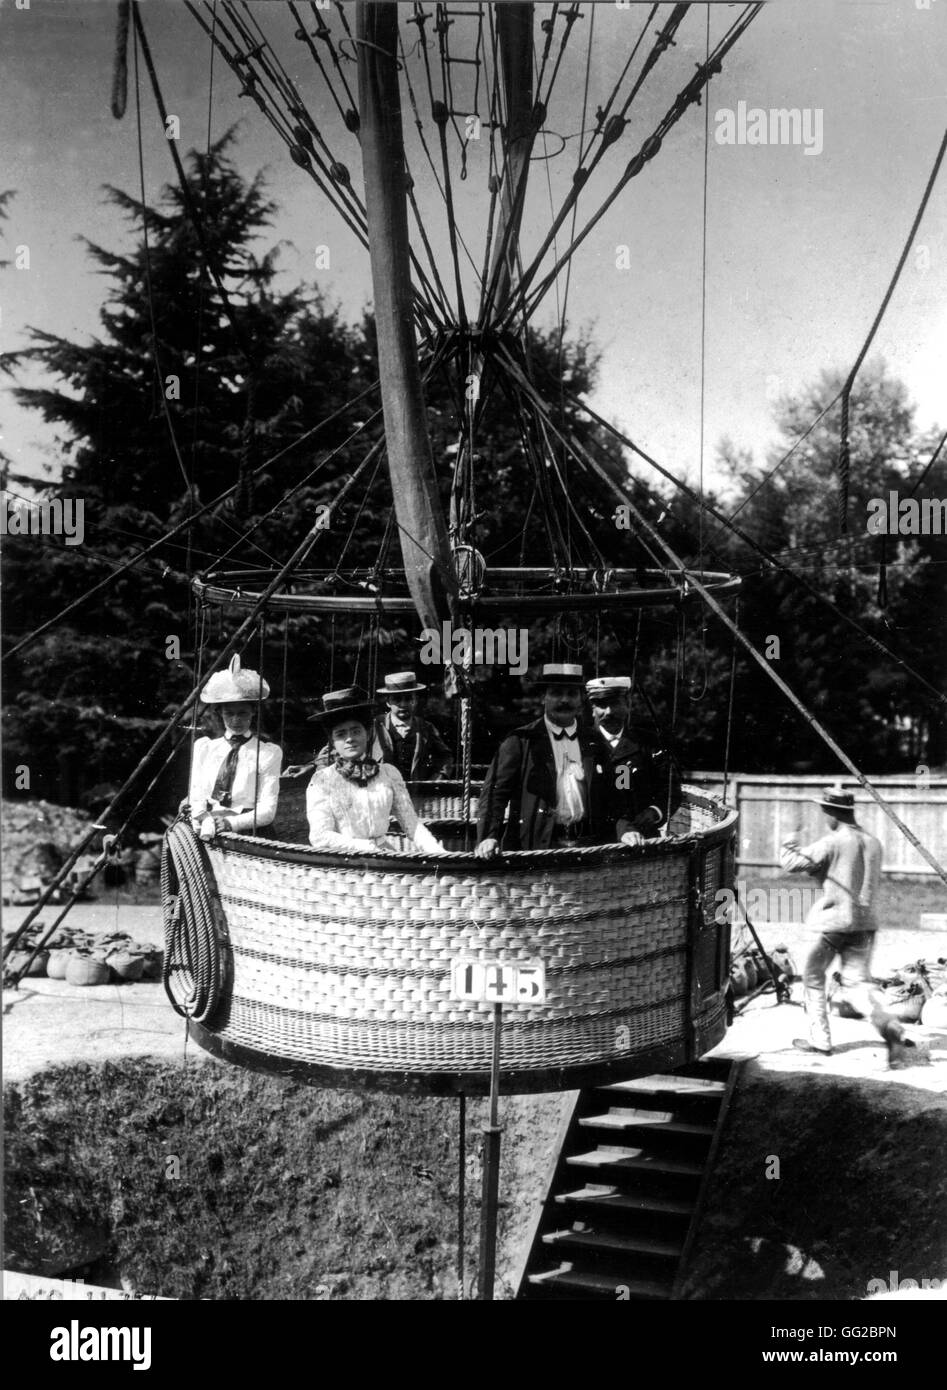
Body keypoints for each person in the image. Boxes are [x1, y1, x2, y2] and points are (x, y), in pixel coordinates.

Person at [780, 784, 915, 1061]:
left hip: (835, 922)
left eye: (825, 812)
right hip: (865, 924)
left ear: (832, 812)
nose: (824, 818)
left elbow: (791, 862)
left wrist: (790, 837)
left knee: (814, 976)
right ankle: (890, 1026)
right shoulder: (874, 842)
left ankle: (821, 1041)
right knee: (857, 984)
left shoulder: (833, 842)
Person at [475, 663, 646, 856]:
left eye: (572, 694)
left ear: (581, 701)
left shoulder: (595, 741)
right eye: (556, 693)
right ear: (543, 698)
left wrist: (626, 829)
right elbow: (494, 795)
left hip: (588, 847)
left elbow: (616, 796)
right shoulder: (521, 741)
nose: (564, 700)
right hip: (534, 848)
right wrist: (489, 836)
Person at [305, 686, 445, 854]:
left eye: (356, 731)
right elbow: (320, 836)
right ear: (332, 741)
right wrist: (366, 848)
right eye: (341, 734)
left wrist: (438, 853)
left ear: (368, 733)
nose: (349, 739)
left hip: (385, 857)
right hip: (343, 863)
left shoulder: (388, 774)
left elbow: (412, 824)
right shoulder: (323, 780)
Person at [188, 655, 283, 841]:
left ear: (253, 712)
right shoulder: (205, 748)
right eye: (229, 714)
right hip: (208, 827)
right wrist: (202, 818)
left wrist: (233, 823)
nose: (236, 720)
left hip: (248, 831)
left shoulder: (267, 753)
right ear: (220, 713)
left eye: (242, 713)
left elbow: (268, 810)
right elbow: (196, 793)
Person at [586, 675, 682, 842]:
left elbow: (671, 789)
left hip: (643, 839)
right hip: (595, 843)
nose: (609, 712)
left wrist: (653, 812)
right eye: (602, 705)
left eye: (615, 703)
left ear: (627, 705)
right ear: (592, 709)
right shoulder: (583, 744)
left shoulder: (649, 742)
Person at [373, 671, 453, 781]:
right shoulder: (376, 727)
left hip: (418, 792)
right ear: (388, 702)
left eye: (408, 699)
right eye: (397, 699)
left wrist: (440, 776)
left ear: (415, 700)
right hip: (384, 791)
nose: (403, 704)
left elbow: (445, 756)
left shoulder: (426, 727)